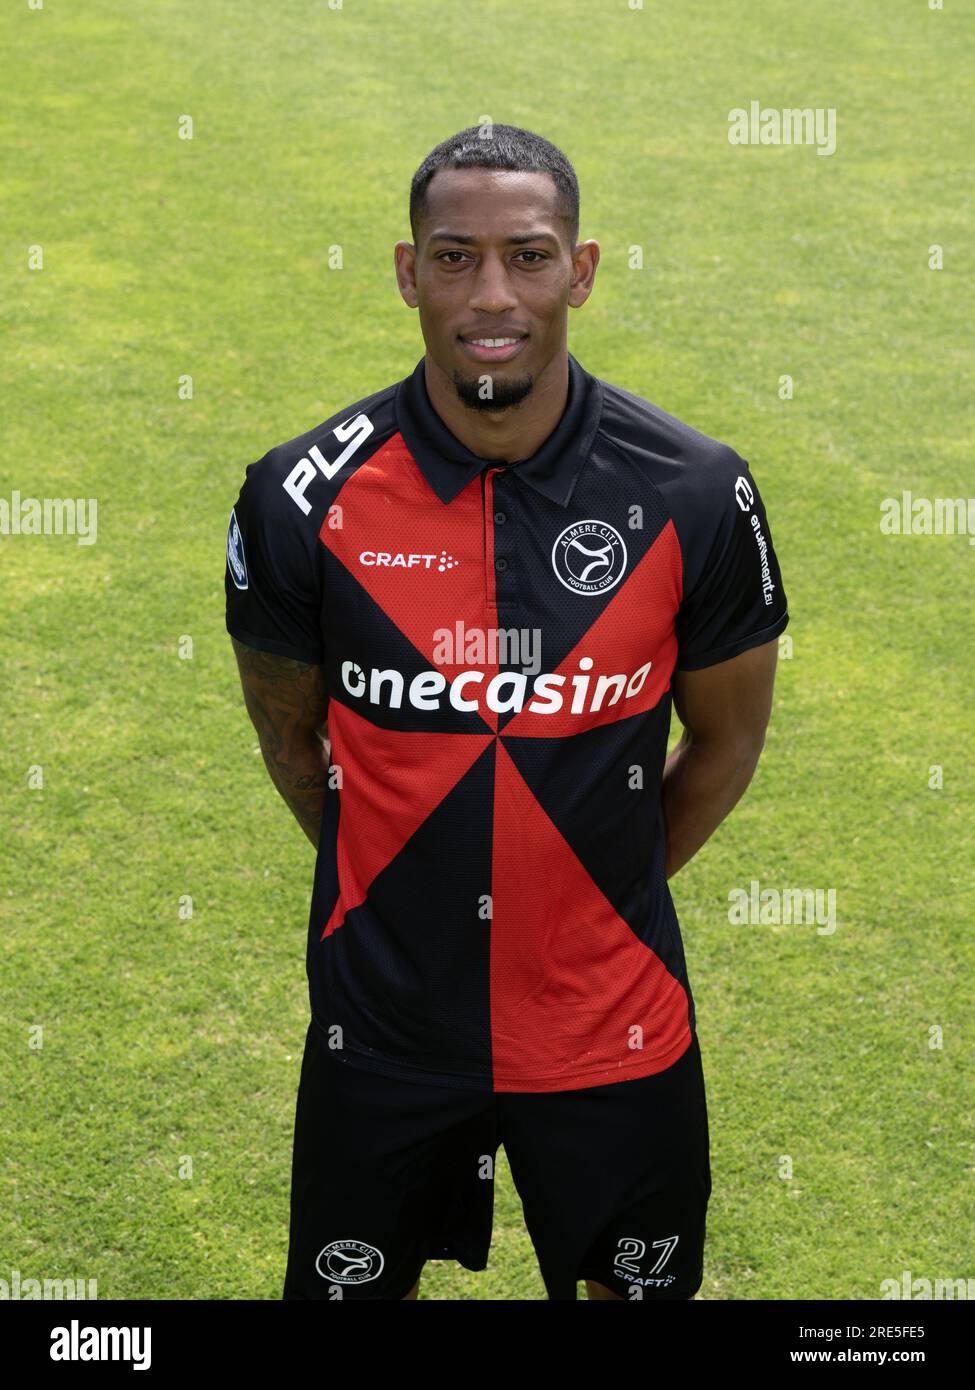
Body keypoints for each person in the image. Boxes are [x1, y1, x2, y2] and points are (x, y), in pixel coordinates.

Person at [224, 124, 789, 1301]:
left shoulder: (694, 489)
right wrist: (406, 875)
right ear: (405, 271)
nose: (493, 295)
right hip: (380, 1028)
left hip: (614, 1023)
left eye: (529, 257)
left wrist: (600, 877)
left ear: (580, 272)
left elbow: (728, 739)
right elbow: (292, 739)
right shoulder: (296, 496)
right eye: (454, 256)